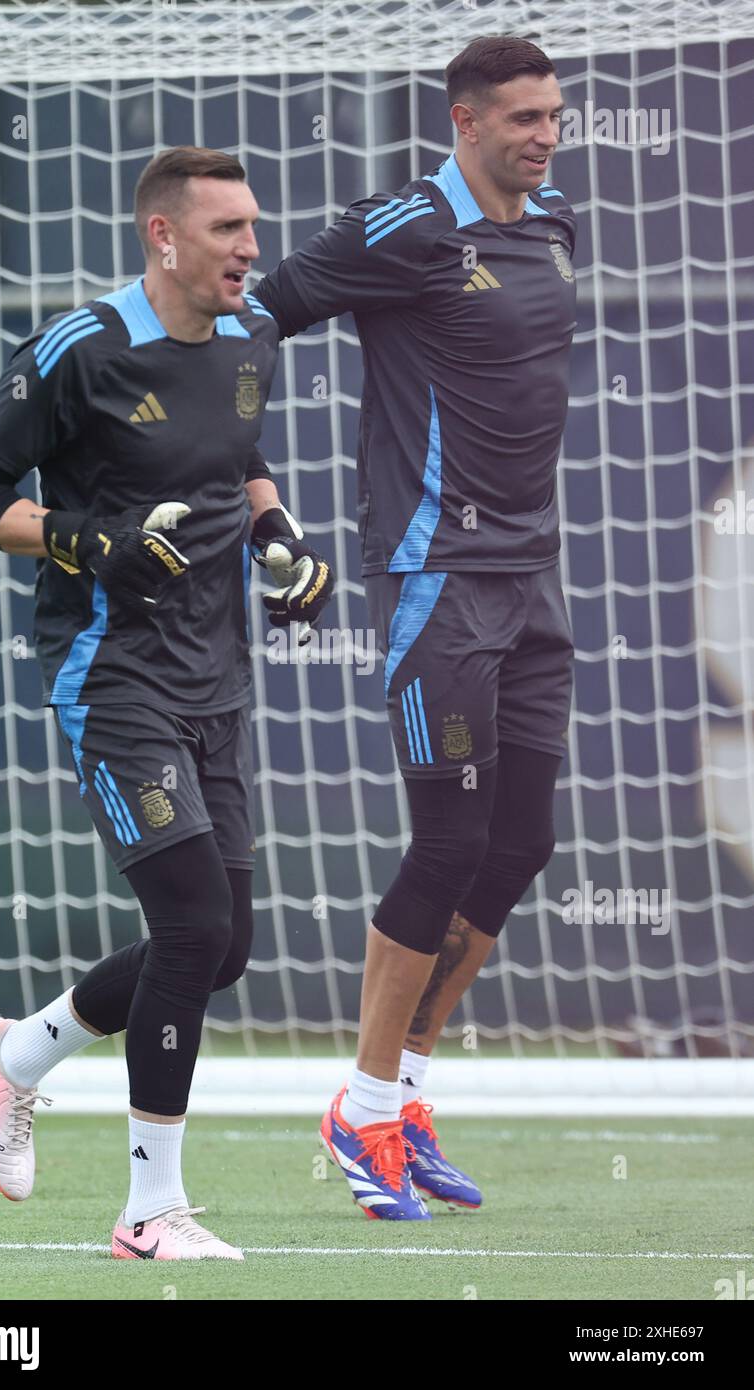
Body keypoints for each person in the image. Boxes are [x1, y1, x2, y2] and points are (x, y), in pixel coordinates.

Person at [0, 145, 334, 1259]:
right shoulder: (80, 350)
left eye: (254, 227)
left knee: (225, 947)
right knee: (193, 924)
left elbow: (238, 463)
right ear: (162, 237)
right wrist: (91, 540)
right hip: (110, 675)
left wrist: (279, 540)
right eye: (226, 230)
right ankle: (148, 1211)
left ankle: (17, 1055)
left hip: (218, 675)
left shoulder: (252, 336)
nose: (251, 249)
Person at [251, 35, 577, 1219]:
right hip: (433, 574)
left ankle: (407, 1093)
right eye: (521, 119)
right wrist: (262, 504)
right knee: (443, 843)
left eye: (553, 115)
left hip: (531, 582)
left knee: (519, 843)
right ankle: (360, 1103)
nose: (541, 135)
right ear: (462, 121)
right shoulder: (398, 230)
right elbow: (249, 328)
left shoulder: (552, 227)